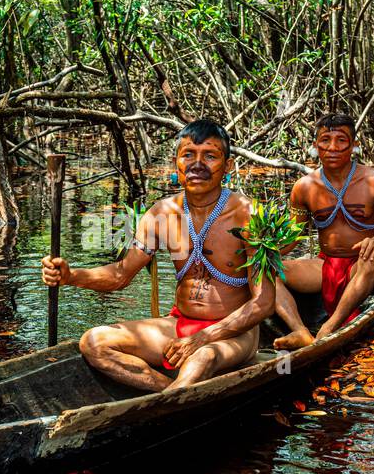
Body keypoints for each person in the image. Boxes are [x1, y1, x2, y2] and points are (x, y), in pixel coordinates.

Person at [40, 120, 275, 392]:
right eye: (188, 155)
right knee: (94, 342)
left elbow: (264, 302)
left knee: (202, 358)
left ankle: (168, 402)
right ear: (177, 163)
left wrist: (202, 339)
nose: (197, 164)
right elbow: (120, 275)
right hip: (178, 324)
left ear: (228, 166)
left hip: (234, 334)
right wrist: (71, 276)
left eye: (210, 156)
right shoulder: (161, 213)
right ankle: (170, 394)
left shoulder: (250, 215)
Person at [272, 113, 374, 349]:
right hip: (325, 265)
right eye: (325, 140)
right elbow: (293, 237)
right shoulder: (304, 187)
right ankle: (300, 331)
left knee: (372, 255)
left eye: (341, 140)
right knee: (266, 270)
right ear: (315, 145)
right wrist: (263, 250)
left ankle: (329, 327)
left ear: (354, 145)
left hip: (364, 265)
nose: (332, 147)